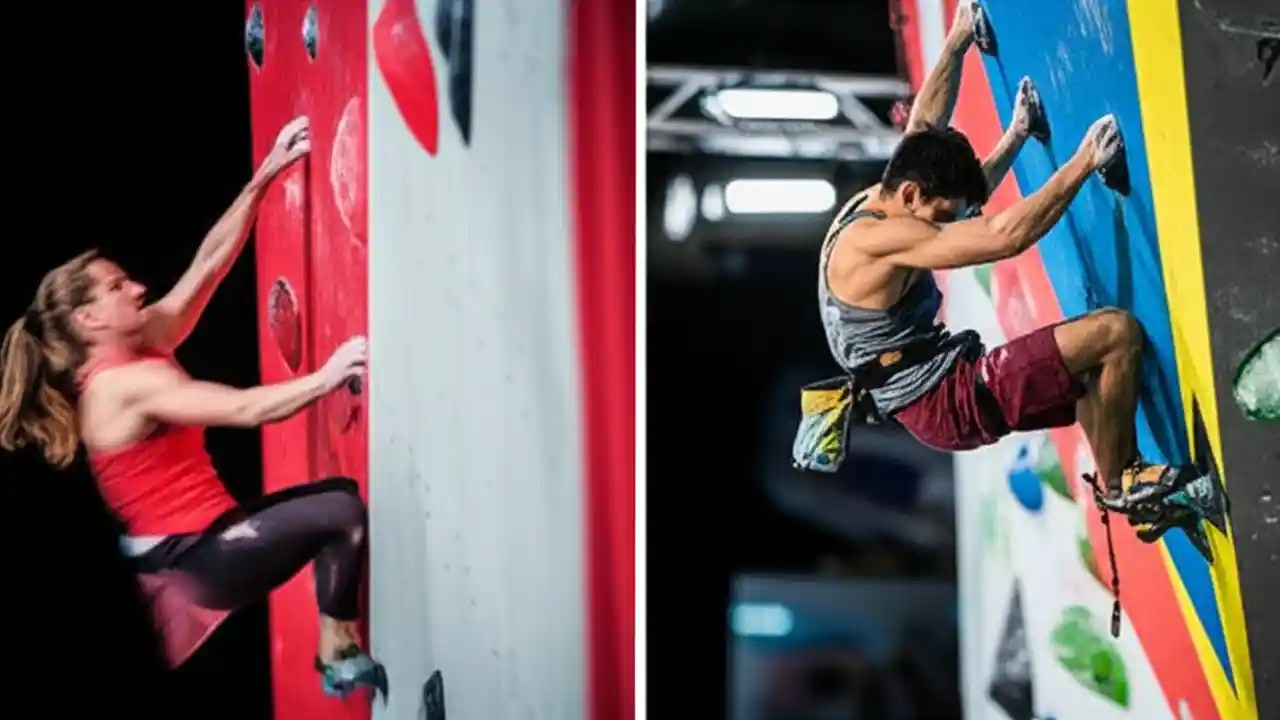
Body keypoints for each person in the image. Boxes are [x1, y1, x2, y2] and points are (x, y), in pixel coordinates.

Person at [0, 116, 386, 700]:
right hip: (192, 564)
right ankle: (338, 654)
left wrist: (264, 176)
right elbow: (245, 409)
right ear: (89, 320)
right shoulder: (116, 388)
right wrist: (331, 374)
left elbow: (206, 267)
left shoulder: (138, 339)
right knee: (338, 513)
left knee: (337, 501)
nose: (137, 289)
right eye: (117, 286)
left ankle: (338, 649)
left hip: (207, 541)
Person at [815, 2, 1207, 527]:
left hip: (929, 383)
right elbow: (1003, 235)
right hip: (946, 402)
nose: (948, 221)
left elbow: (926, 124)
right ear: (912, 196)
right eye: (941, 215)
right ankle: (1123, 487)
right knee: (1116, 334)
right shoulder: (880, 240)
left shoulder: (886, 196)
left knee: (1091, 369)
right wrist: (1084, 161)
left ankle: (1136, 500)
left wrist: (959, 45)